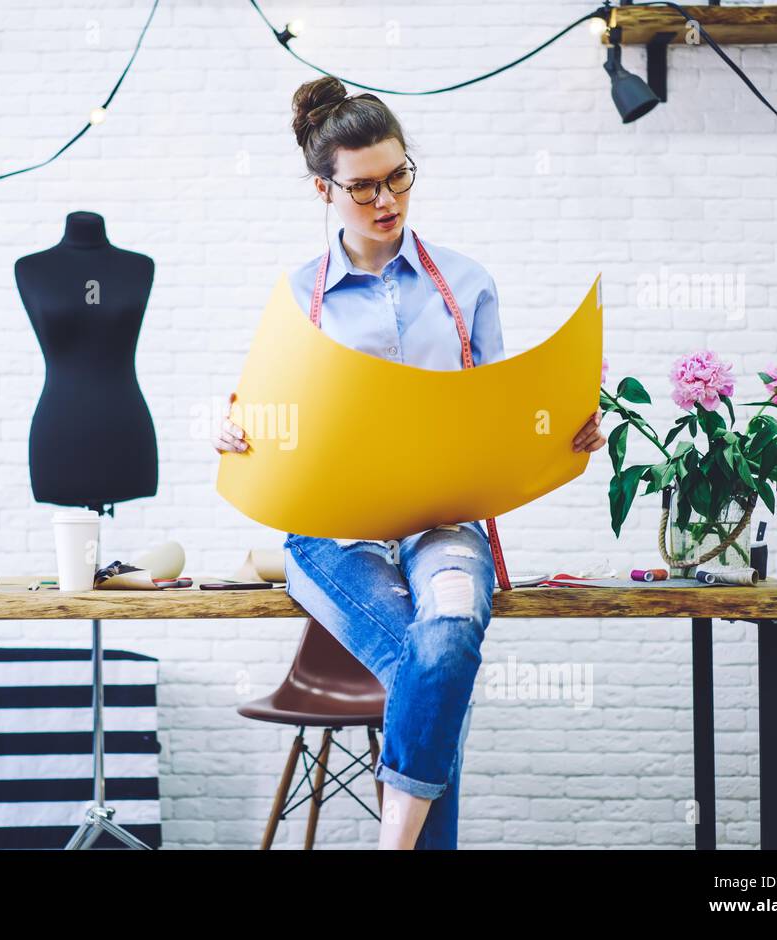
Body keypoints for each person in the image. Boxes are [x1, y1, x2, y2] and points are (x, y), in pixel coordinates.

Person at [214, 76, 606, 849]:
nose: (386, 200)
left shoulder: (468, 282)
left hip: (444, 521)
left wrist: (562, 430)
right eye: (362, 187)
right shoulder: (298, 297)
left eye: (398, 177)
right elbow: (271, 413)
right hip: (333, 528)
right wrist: (240, 429)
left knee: (450, 633)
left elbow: (501, 413)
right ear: (323, 189)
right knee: (432, 676)